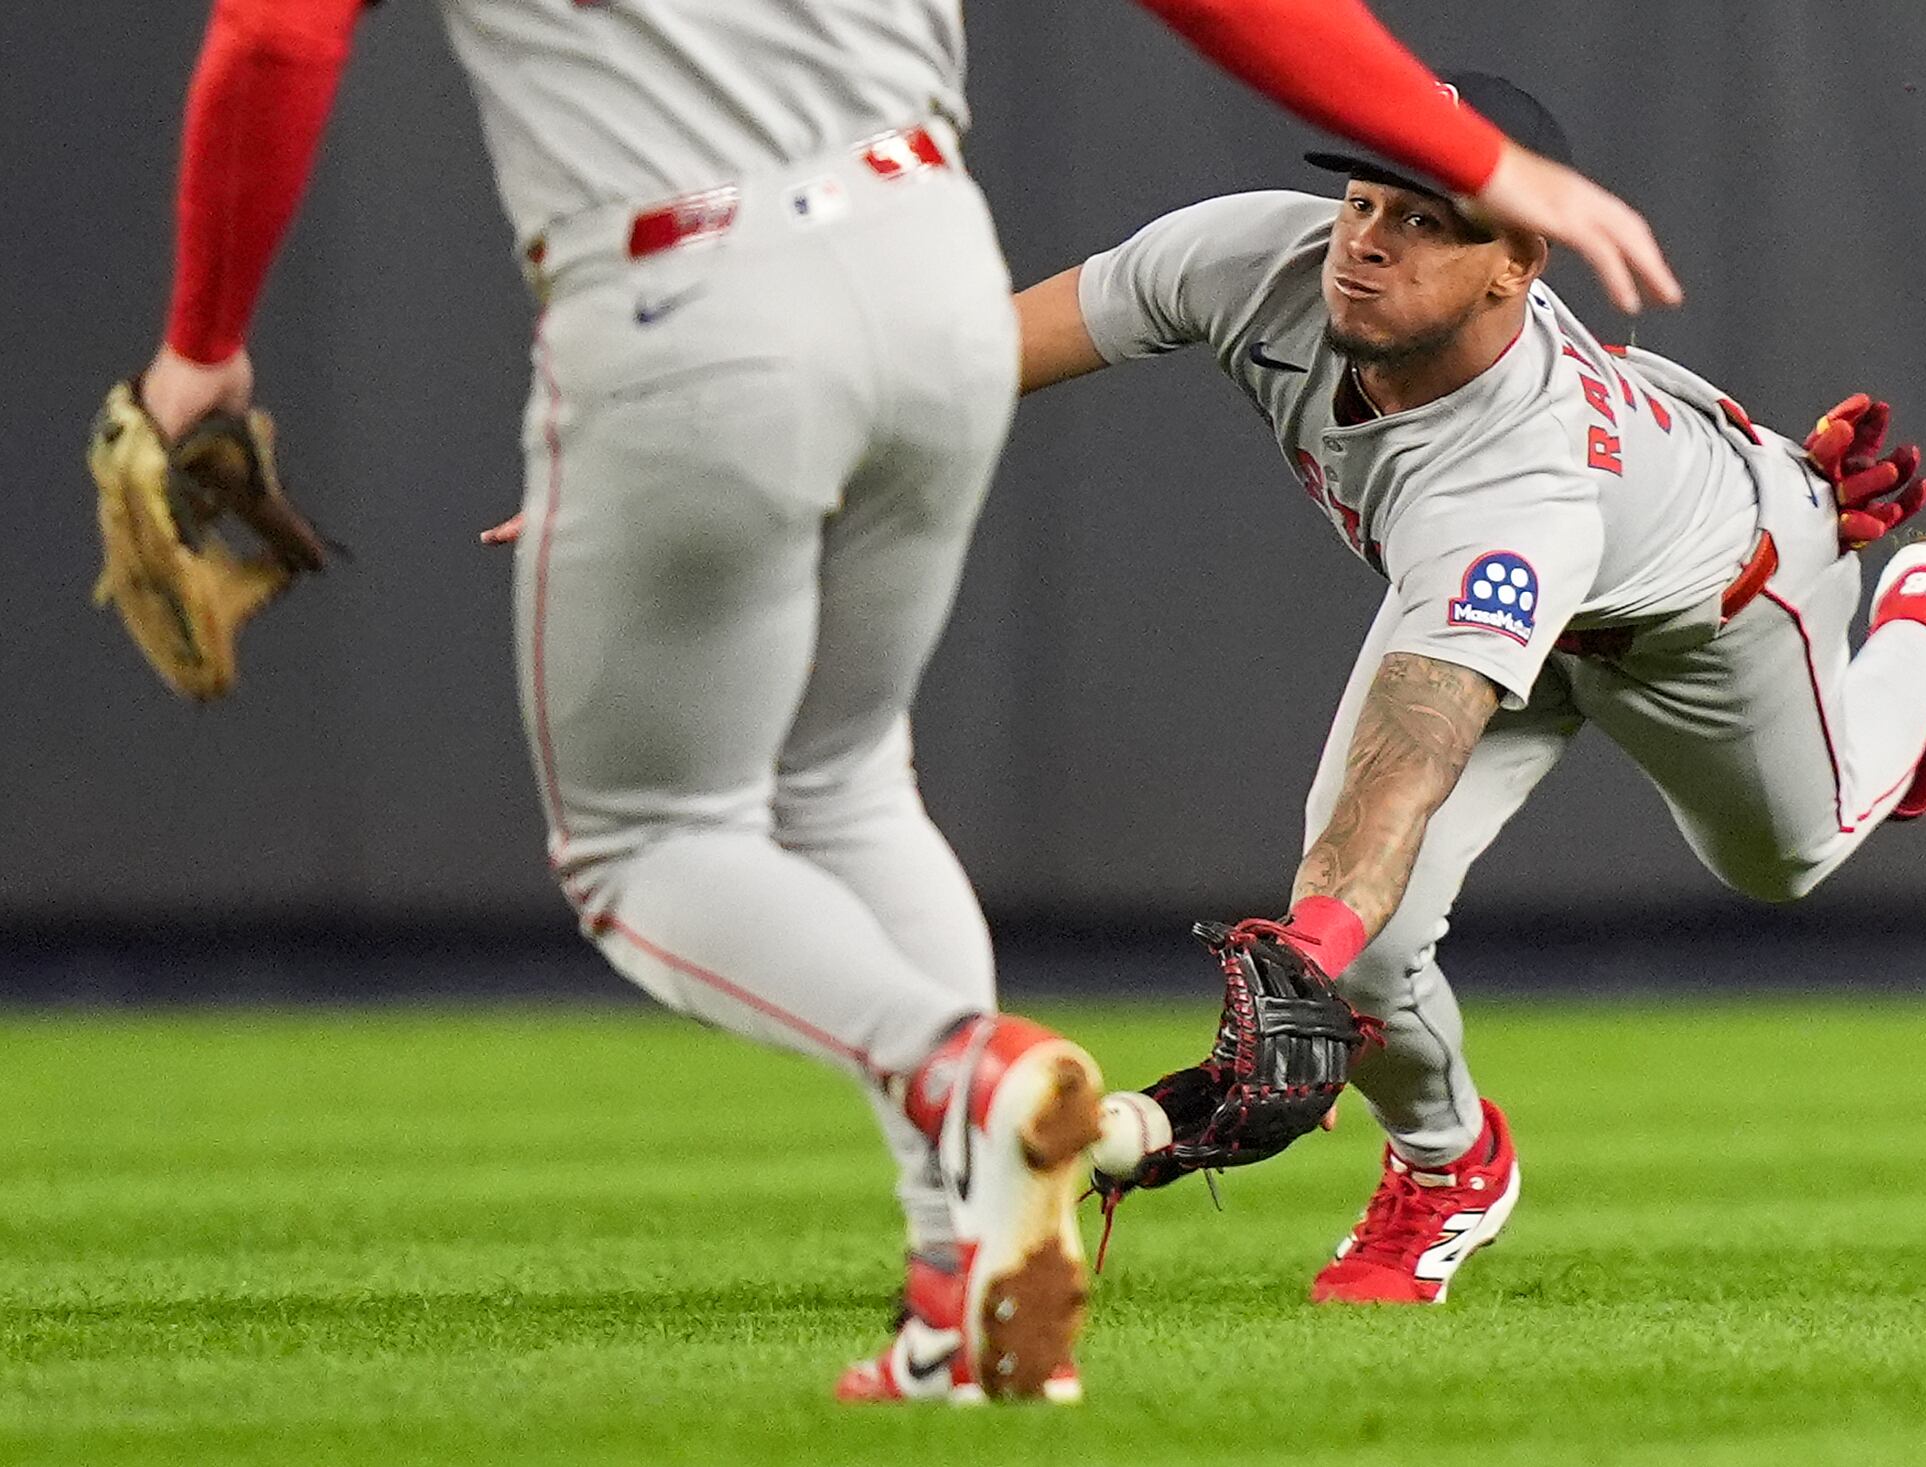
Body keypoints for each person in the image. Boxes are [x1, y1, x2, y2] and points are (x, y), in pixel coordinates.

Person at [134, 0, 1688, 1406]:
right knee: (849, 786)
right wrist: (1472, 151)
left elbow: (275, 38)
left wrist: (201, 347)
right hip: (928, 270)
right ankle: (967, 1289)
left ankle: (974, 1072)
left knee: (641, 849)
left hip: (689, 293)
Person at [1014, 73, 1926, 1305]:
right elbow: (977, 356)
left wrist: (1304, 949)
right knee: (1366, 945)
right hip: (1514, 580)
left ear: (1513, 265)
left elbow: (1412, 755)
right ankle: (1447, 1165)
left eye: (1421, 219)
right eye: (1362, 198)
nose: (1365, 240)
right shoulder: (1249, 262)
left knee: (1785, 861)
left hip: (1711, 613)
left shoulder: (1514, 490)